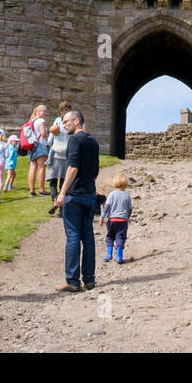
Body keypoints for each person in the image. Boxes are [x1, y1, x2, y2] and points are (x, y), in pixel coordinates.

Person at [54, 109, 100, 292]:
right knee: (88, 236)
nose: (63, 125)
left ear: (76, 121)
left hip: (74, 195)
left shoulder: (74, 140)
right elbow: (96, 170)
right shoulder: (93, 141)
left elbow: (72, 167)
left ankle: (72, 281)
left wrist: (62, 192)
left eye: (66, 122)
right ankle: (89, 280)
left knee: (73, 237)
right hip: (90, 194)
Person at [100, 170, 132, 264]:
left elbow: (106, 207)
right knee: (120, 237)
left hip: (112, 219)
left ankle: (109, 254)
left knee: (110, 236)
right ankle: (119, 257)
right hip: (122, 220)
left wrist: (102, 218)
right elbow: (130, 209)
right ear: (125, 185)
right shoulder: (127, 196)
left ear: (114, 184)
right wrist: (127, 218)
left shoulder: (111, 195)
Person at [46, 105, 71, 213]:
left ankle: (55, 199)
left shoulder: (56, 123)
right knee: (63, 183)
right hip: (67, 157)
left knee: (52, 181)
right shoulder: (71, 125)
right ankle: (61, 208)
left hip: (55, 156)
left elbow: (50, 141)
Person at [23, 105, 48, 197]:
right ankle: (42, 190)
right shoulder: (41, 121)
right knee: (41, 168)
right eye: (43, 111)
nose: (45, 113)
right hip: (40, 145)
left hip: (32, 145)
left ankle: (32, 191)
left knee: (32, 168)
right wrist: (48, 138)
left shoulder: (32, 121)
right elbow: (43, 133)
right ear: (38, 111)